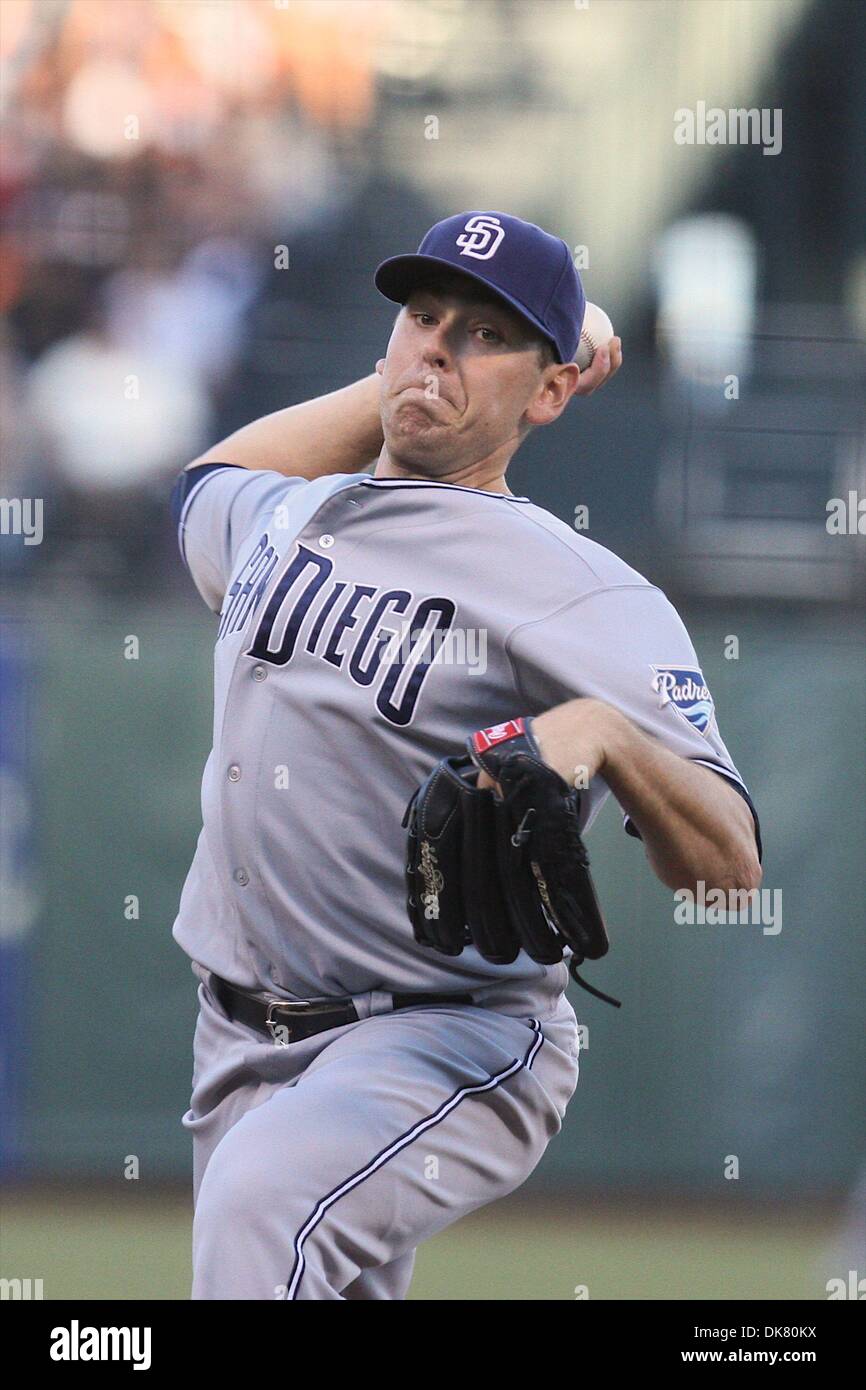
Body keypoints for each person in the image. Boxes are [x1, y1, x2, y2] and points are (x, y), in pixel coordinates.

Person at [170, 212, 761, 1300]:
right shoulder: (290, 514)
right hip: (237, 1041)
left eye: (486, 333)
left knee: (263, 1212)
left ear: (548, 395)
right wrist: (430, 373)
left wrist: (612, 737)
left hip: (440, 1037)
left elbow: (727, 870)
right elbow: (205, 482)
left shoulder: (575, 586)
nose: (438, 344)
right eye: (422, 317)